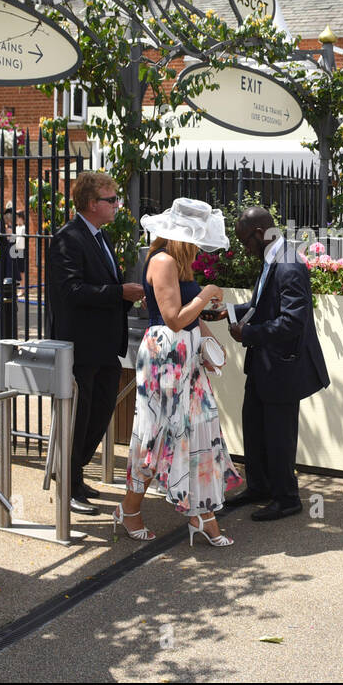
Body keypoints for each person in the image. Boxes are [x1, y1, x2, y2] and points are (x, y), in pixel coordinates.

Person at [114, 198, 243, 546]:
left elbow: (189, 315)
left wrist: (209, 337)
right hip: (164, 355)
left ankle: (202, 514)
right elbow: (172, 317)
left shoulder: (179, 262)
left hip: (185, 354)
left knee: (201, 428)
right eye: (198, 235)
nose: (201, 244)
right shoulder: (163, 260)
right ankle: (129, 509)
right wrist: (205, 294)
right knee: (155, 433)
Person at [45, 171, 144, 515]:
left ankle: (74, 476)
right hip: (81, 347)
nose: (117, 205)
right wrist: (121, 292)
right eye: (112, 199)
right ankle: (68, 486)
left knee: (100, 414)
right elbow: (71, 292)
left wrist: (126, 296)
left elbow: (102, 286)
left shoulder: (100, 237)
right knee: (79, 418)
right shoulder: (67, 238)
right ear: (92, 203)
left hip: (104, 346)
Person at [223, 208, 330, 521]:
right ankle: (260, 487)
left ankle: (286, 498)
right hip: (264, 364)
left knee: (280, 436)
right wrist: (228, 312)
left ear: (259, 233)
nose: (244, 249)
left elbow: (292, 322)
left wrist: (249, 332)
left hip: (283, 367)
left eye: (245, 242)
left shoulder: (288, 264)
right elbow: (261, 306)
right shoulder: (273, 257)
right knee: (254, 428)